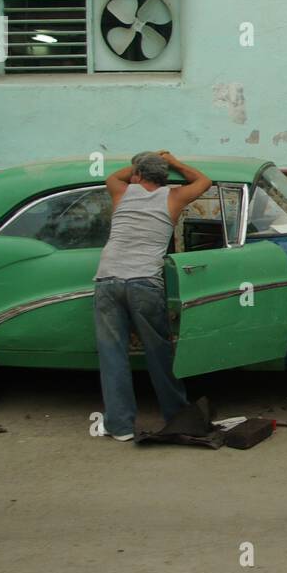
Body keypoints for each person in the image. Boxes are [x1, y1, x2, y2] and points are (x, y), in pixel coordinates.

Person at [95, 151, 212, 440]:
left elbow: (114, 176)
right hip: (144, 282)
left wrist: (140, 165)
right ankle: (176, 415)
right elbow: (204, 181)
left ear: (137, 176)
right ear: (163, 178)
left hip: (107, 280)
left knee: (113, 355)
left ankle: (119, 426)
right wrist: (173, 162)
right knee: (159, 352)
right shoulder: (173, 198)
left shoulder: (121, 191)